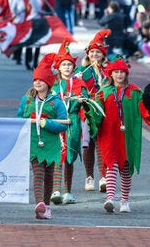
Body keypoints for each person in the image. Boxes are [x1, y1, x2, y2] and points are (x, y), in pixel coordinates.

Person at [95, 58, 150, 213]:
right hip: (110, 134)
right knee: (111, 165)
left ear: (126, 74)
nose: (119, 75)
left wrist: (147, 100)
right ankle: (110, 198)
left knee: (125, 168)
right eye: (116, 72)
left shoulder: (135, 91)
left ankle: (124, 201)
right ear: (111, 74)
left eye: (122, 72)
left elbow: (146, 112)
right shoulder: (103, 92)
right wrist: (88, 108)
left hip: (128, 135)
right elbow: (96, 115)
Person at [17, 53, 69, 221]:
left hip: (51, 143)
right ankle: (39, 203)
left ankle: (45, 207)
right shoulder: (27, 99)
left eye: (41, 80)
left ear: (48, 83)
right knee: (38, 173)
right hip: (33, 143)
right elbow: (19, 119)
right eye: (35, 80)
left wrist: (47, 124)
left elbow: (64, 124)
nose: (37, 82)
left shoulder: (56, 102)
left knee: (49, 176)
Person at [50, 40, 98, 206]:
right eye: (64, 64)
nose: (67, 67)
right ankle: (55, 190)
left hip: (73, 122)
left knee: (69, 156)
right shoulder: (54, 85)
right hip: (56, 123)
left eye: (69, 65)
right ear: (59, 67)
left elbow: (87, 100)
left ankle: (67, 191)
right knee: (57, 155)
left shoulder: (79, 83)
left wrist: (84, 100)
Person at [78, 29, 111, 193]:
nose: (94, 55)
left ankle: (103, 176)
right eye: (92, 52)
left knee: (101, 143)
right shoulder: (82, 71)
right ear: (88, 55)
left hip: (104, 110)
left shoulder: (109, 70)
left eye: (98, 52)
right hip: (87, 111)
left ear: (103, 55)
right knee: (88, 143)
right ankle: (89, 176)